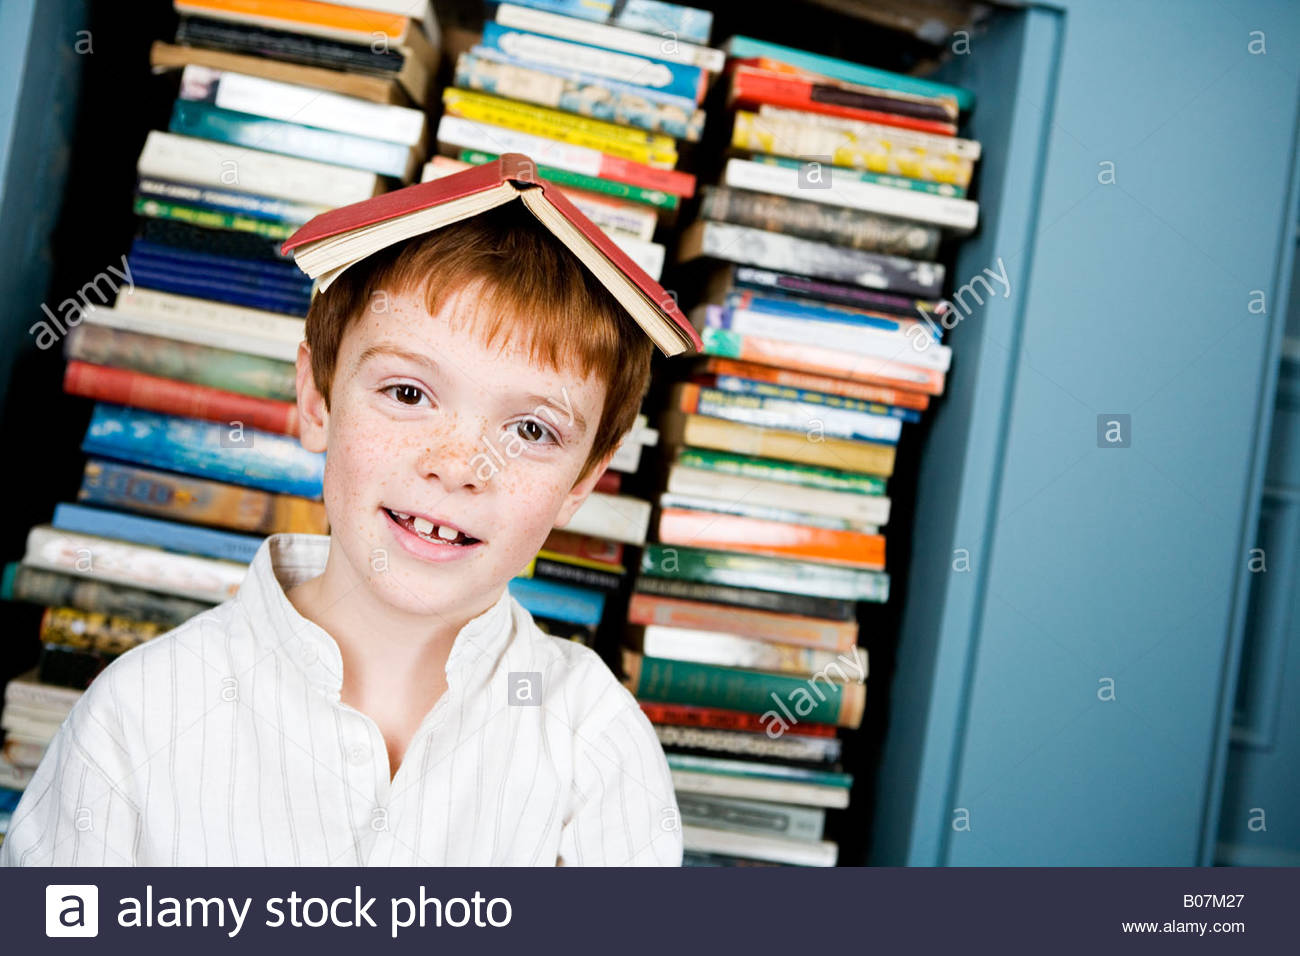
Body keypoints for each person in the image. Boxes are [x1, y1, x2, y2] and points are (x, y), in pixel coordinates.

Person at [0, 201, 683, 865]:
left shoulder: (595, 743)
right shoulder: (139, 712)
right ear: (316, 400)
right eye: (408, 394)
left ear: (584, 482)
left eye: (532, 430)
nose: (457, 466)